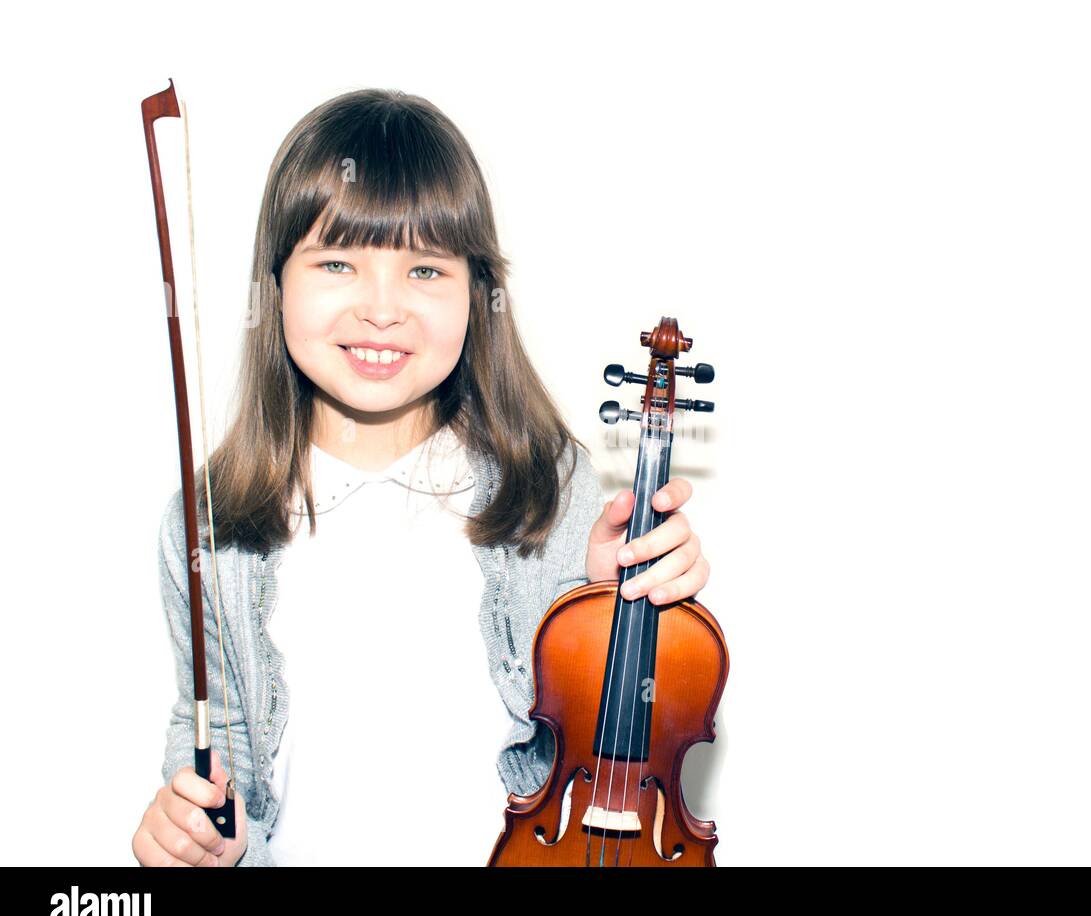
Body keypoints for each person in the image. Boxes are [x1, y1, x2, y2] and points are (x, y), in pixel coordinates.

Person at [131, 88, 711, 866]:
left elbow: (605, 746)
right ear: (276, 284)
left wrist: (614, 604)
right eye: (337, 261)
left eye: (425, 270)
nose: (381, 309)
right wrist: (193, 818)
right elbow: (217, 727)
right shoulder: (205, 525)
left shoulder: (550, 487)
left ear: (477, 291)